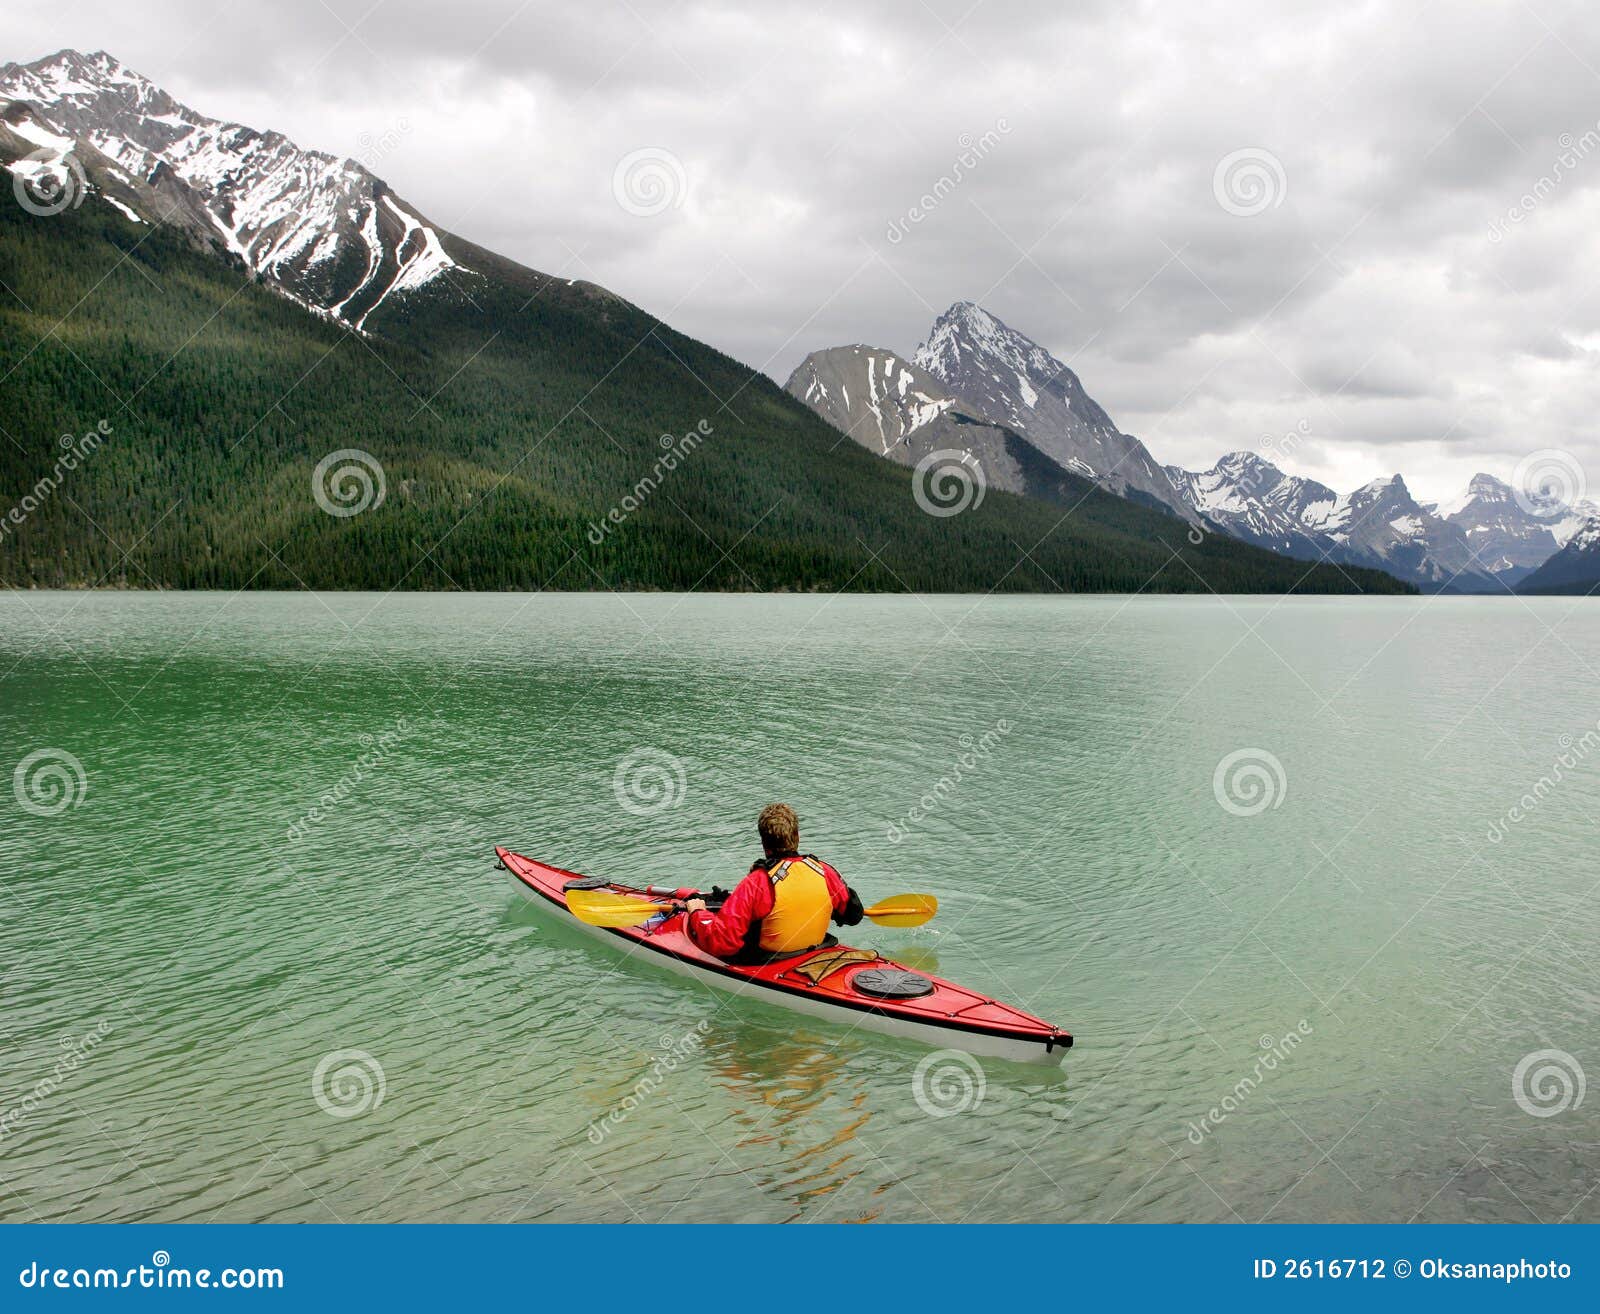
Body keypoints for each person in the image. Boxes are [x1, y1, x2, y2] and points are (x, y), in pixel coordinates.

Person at [682, 804, 863, 961]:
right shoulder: (824, 871)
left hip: (767, 961)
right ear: (797, 836)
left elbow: (722, 942)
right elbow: (853, 915)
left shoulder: (756, 883)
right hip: (814, 951)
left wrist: (698, 913)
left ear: (763, 842)